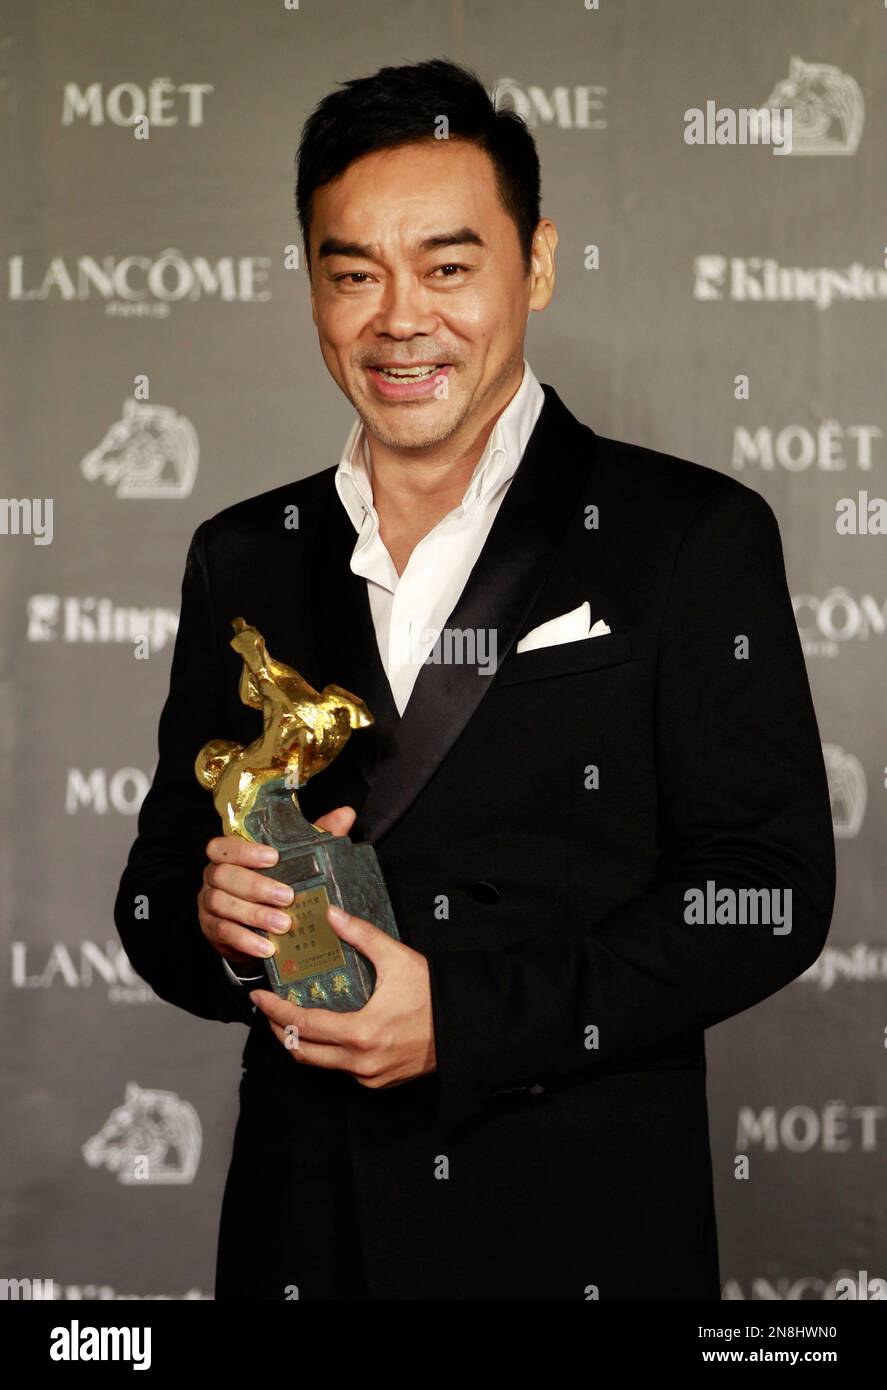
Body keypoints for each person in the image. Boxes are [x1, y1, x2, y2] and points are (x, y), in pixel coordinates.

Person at [115, 58, 835, 1300]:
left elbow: (763, 891)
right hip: (306, 1229)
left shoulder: (687, 533)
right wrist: (208, 917)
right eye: (353, 274)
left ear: (535, 263)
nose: (400, 318)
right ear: (312, 287)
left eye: (447, 268)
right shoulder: (245, 554)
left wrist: (466, 1018)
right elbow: (157, 890)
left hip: (576, 1233)